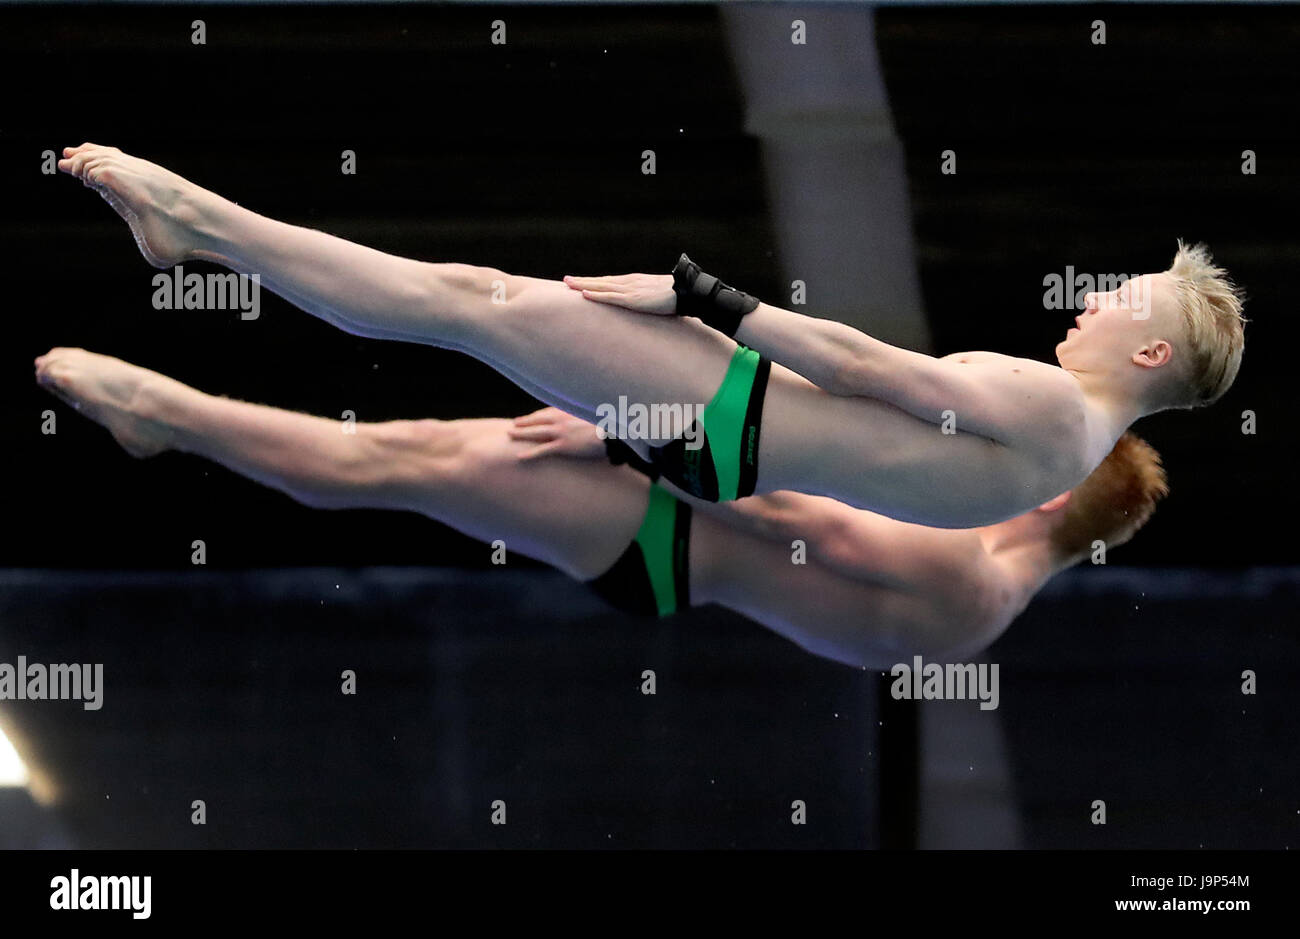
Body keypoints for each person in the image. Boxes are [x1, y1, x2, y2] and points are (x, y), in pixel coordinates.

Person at [56, 143, 1223, 527]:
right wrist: (626, 438)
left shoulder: (1057, 411)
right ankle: (202, 244)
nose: (1093, 298)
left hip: (731, 408)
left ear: (1152, 355)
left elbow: (867, 368)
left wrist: (702, 297)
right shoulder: (1058, 455)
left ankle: (195, 220)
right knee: (466, 312)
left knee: (463, 299)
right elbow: (862, 462)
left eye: (1121, 298)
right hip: (727, 447)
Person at [33, 347, 1167, 669]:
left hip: (669, 532)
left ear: (1057, 490)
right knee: (408, 458)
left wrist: (626, 439)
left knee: (402, 462)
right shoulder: (989, 605)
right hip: (673, 552)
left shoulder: (971, 571)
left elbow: (799, 525)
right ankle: (175, 419)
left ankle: (167, 416)